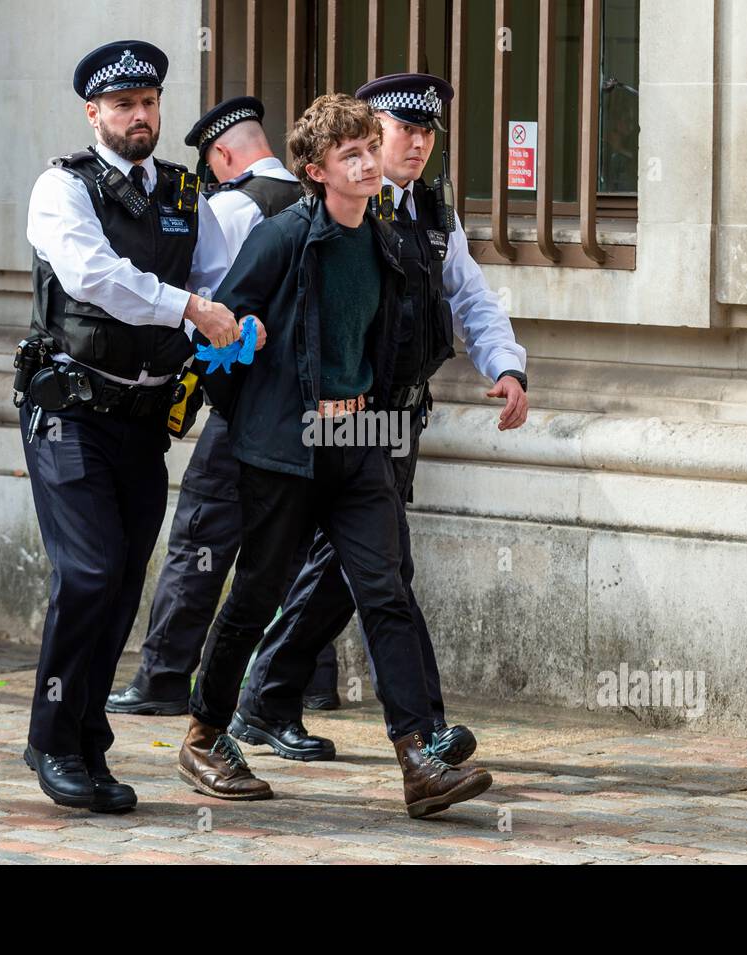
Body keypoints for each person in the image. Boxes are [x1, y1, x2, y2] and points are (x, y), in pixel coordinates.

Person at [177, 94, 492, 819]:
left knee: (383, 588)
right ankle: (204, 732)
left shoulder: (386, 239)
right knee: (256, 590)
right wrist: (258, 398)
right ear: (317, 171)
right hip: (285, 444)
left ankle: (418, 759)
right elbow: (220, 332)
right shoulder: (282, 236)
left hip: (359, 440)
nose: (366, 161)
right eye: (348, 153)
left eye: (367, 147)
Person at [232, 73, 529, 763]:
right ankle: (424, 731)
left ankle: (264, 698)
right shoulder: (337, 213)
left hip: (398, 418)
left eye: (428, 133)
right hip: (342, 418)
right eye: (404, 130)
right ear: (369, 136)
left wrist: (506, 366)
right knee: (384, 569)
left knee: (354, 565)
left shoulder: (433, 215)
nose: (418, 143)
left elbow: (472, 301)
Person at [19, 40, 254, 813]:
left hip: (144, 422)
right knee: (87, 573)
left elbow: (220, 279)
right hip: (70, 413)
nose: (140, 116)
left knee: (119, 583)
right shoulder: (63, 188)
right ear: (95, 114)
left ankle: (88, 741)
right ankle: (51, 739)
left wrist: (239, 324)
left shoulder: (188, 195)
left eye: (149, 103)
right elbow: (93, 276)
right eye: (124, 105)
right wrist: (189, 308)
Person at [106, 96, 338, 719]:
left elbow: (203, 306)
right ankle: (306, 681)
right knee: (299, 541)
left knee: (201, 537)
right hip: (323, 409)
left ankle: (163, 677)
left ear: (222, 155)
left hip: (248, 407)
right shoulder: (333, 201)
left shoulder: (228, 207)